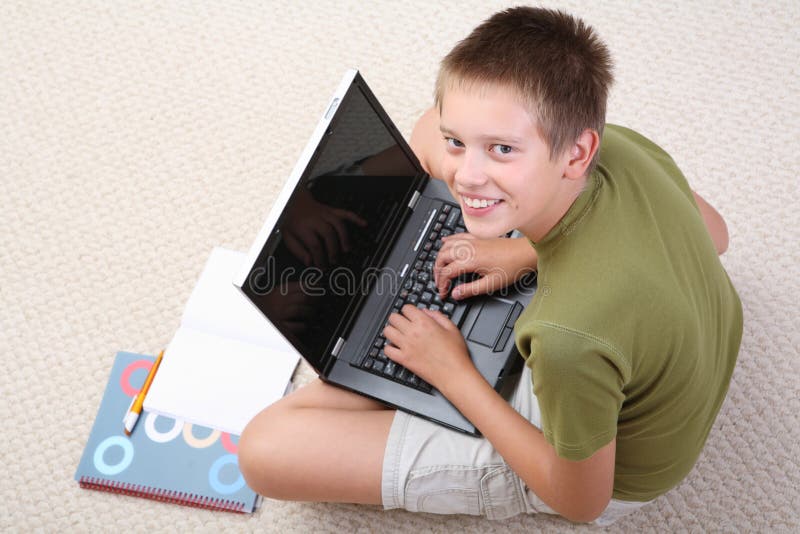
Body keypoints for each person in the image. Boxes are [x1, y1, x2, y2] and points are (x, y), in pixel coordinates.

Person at [238, 6, 743, 525]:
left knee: (263, 448)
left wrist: (454, 374)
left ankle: (415, 371)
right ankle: (400, 358)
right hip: (682, 339)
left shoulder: (569, 339)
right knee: (428, 127)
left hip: (603, 464)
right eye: (462, 145)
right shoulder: (621, 148)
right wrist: (526, 252)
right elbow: (716, 234)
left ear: (577, 153)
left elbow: (581, 502)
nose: (466, 177)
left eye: (501, 150)